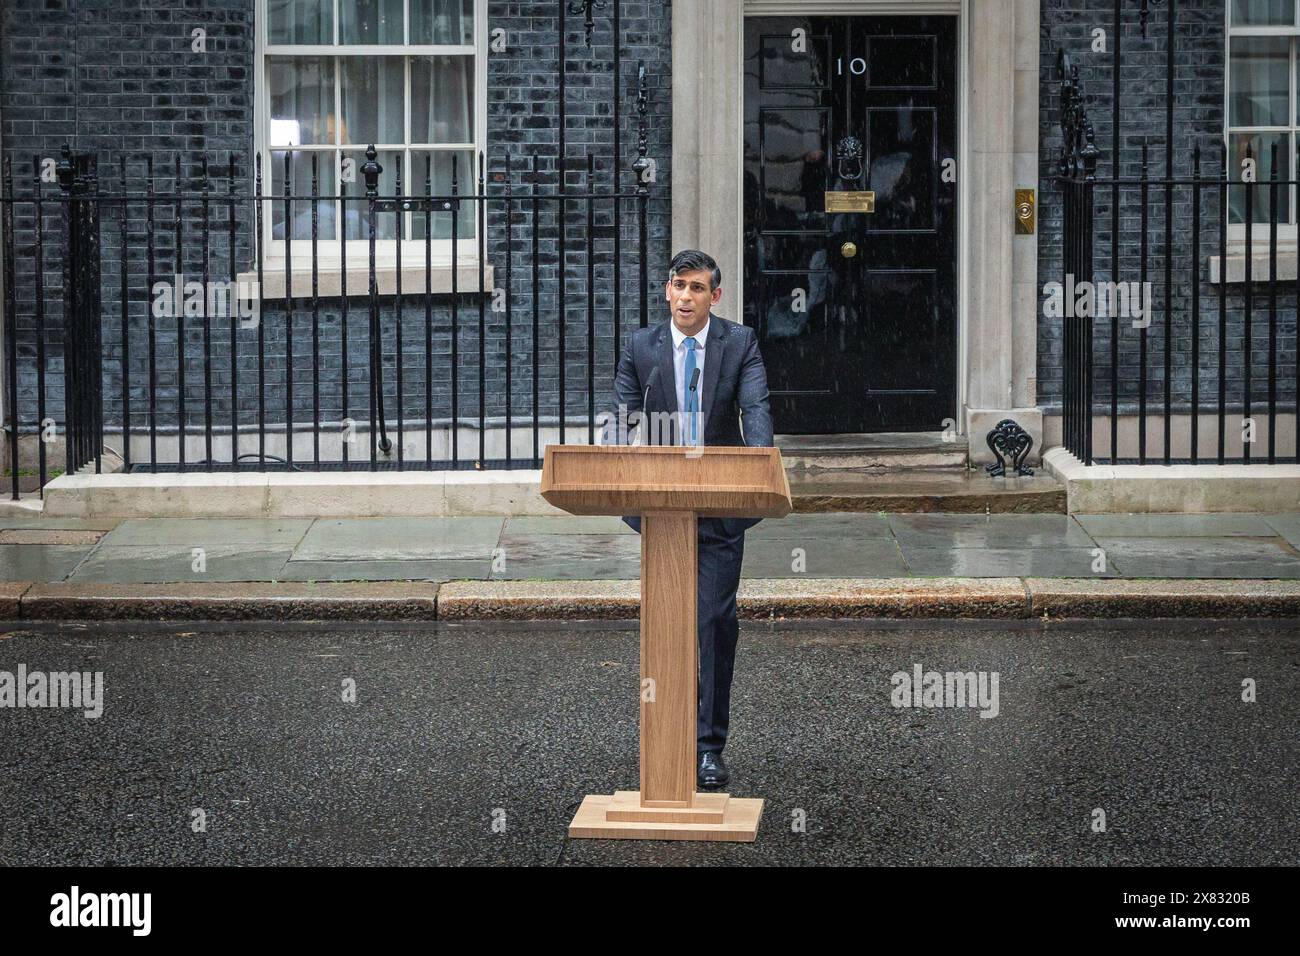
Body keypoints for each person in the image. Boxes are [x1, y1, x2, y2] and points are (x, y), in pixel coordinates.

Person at [607, 248, 774, 790]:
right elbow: (625, 419)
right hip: (660, 510)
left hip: (720, 509)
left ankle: (707, 747)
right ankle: (663, 739)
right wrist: (611, 464)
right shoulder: (641, 347)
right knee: (666, 625)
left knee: (714, 623)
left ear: (714, 296)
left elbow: (756, 411)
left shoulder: (739, 343)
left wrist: (760, 467)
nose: (686, 296)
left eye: (697, 288)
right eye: (679, 285)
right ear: (666, 290)